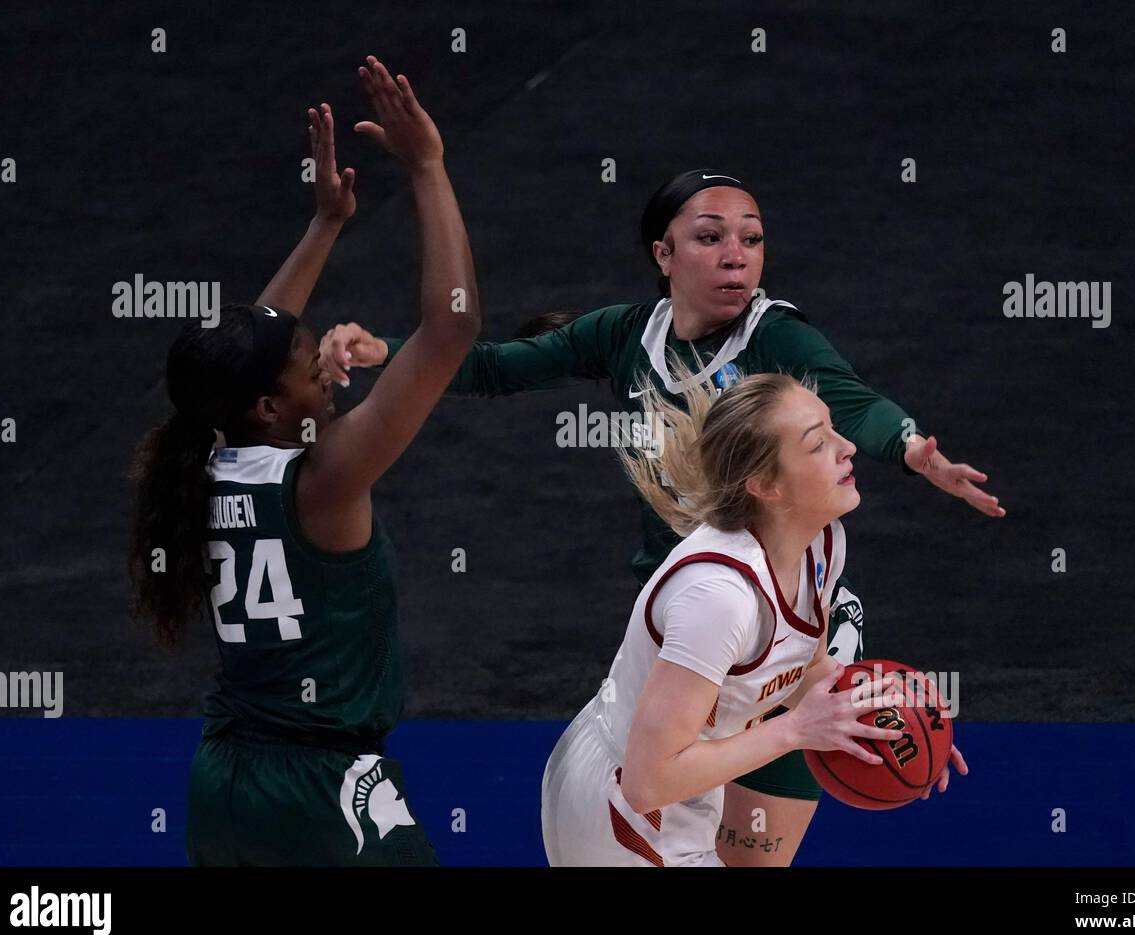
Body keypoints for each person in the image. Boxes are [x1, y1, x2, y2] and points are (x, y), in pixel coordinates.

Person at [322, 168, 992, 864]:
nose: (737, 254)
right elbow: (495, 367)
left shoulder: (780, 348)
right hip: (708, 632)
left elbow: (853, 398)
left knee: (752, 852)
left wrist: (913, 448)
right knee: (672, 770)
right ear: (662, 254)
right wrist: (389, 353)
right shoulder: (627, 338)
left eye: (752, 239)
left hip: (772, 639)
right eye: (710, 237)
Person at [127, 58, 480, 865]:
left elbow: (244, 351)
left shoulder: (204, 453)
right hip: (326, 796)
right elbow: (452, 328)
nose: (321, 353)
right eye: (304, 358)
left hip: (223, 784)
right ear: (268, 408)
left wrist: (327, 223)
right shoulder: (323, 479)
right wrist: (426, 166)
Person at [541, 371, 962, 865]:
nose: (848, 447)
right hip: (622, 811)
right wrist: (797, 730)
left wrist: (900, 728)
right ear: (764, 485)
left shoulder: (822, 543)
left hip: (678, 787)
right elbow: (646, 782)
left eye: (833, 429)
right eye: (817, 443)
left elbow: (805, 668)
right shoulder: (720, 598)